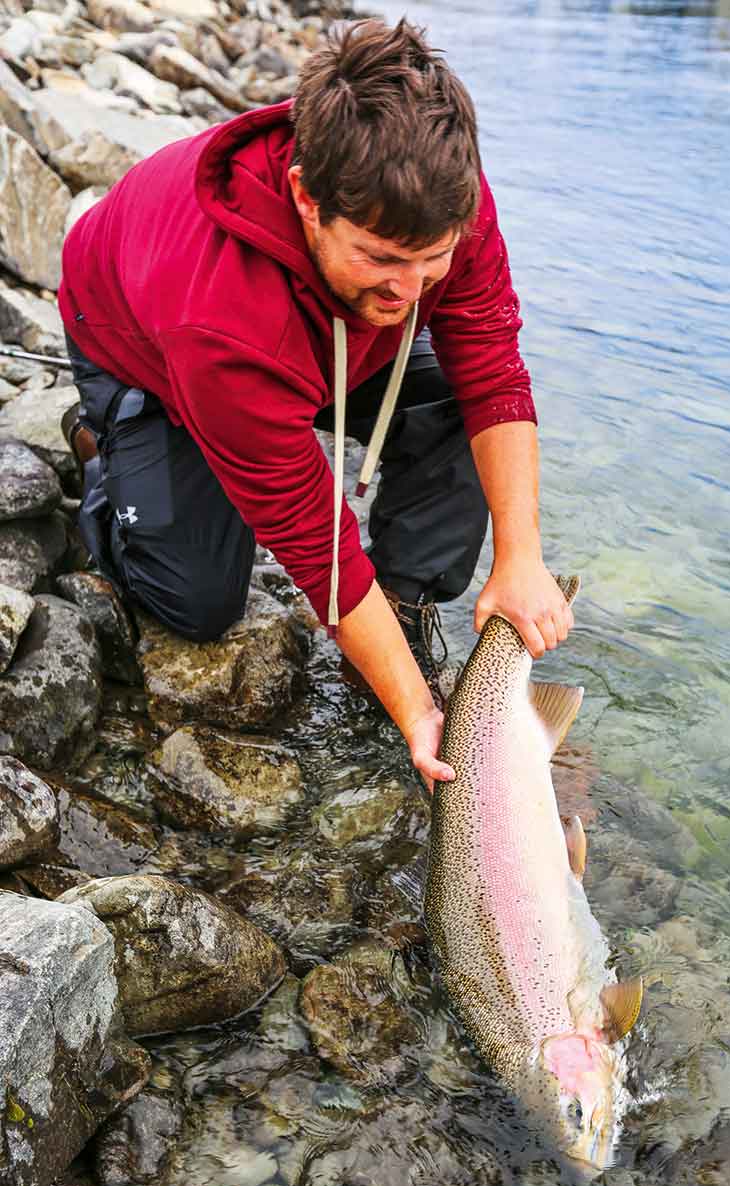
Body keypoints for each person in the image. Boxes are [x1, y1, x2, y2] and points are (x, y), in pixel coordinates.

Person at [58, 17, 573, 789]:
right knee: (197, 604)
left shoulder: (435, 199)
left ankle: (401, 609)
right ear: (306, 197)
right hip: (148, 353)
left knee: (455, 411)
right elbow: (317, 544)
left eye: (431, 263)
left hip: (326, 345)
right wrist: (418, 714)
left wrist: (521, 559)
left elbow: (494, 372)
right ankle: (108, 452)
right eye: (382, 259)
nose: (409, 290)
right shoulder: (222, 322)